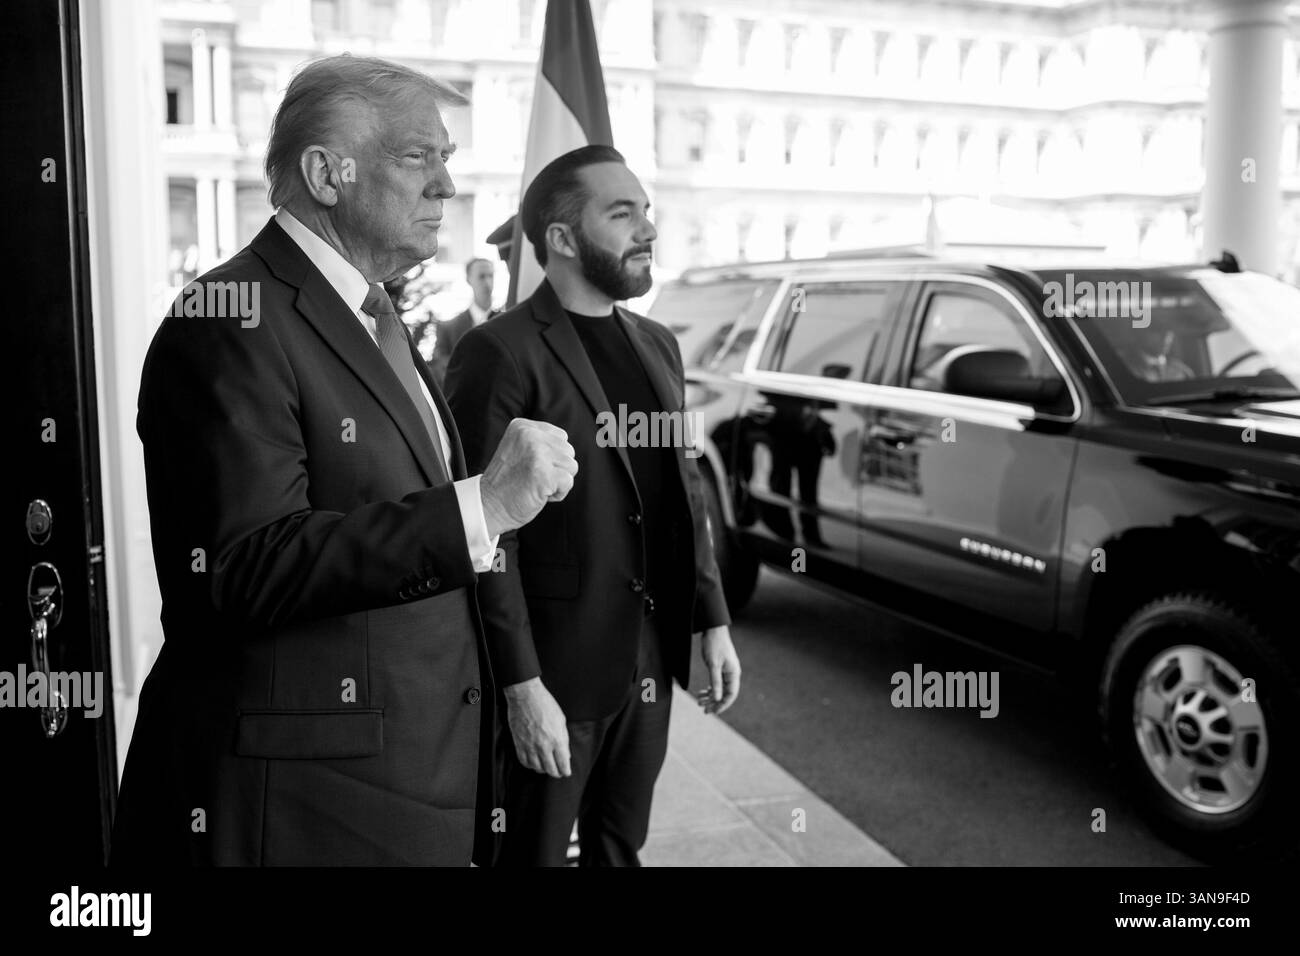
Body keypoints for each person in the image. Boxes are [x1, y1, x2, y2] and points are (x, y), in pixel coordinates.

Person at [111, 55, 576, 867]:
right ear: (327, 174)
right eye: (417, 157)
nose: (446, 187)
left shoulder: (373, 312)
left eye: (448, 161)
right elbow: (242, 569)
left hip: (404, 784)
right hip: (301, 809)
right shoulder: (229, 317)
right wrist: (484, 506)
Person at [446, 145, 741, 867]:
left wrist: (711, 619)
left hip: (649, 658)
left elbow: (684, 492)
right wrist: (520, 684)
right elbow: (486, 535)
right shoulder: (499, 352)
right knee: (532, 858)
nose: (648, 230)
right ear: (563, 237)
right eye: (623, 213)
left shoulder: (658, 344)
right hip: (557, 667)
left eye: (646, 211)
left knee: (620, 849)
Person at [431, 257, 497, 385]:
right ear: (469, 280)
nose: (488, 283)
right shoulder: (447, 329)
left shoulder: (505, 323)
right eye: (481, 277)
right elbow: (440, 372)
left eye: (491, 276)